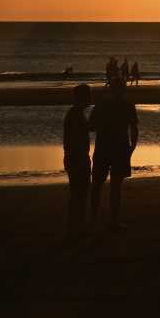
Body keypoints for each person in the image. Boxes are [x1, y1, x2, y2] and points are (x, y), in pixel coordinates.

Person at [89, 79, 138, 231]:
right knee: (115, 186)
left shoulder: (102, 104)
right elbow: (134, 128)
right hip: (120, 148)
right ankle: (112, 221)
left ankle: (94, 221)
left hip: (105, 147)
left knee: (98, 185)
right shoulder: (127, 104)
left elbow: (92, 126)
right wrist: (132, 147)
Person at [63, 84, 92, 238]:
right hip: (77, 159)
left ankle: (76, 226)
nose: (90, 99)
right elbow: (75, 140)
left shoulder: (75, 114)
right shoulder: (75, 115)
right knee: (79, 194)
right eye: (88, 96)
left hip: (75, 158)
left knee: (78, 194)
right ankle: (76, 228)